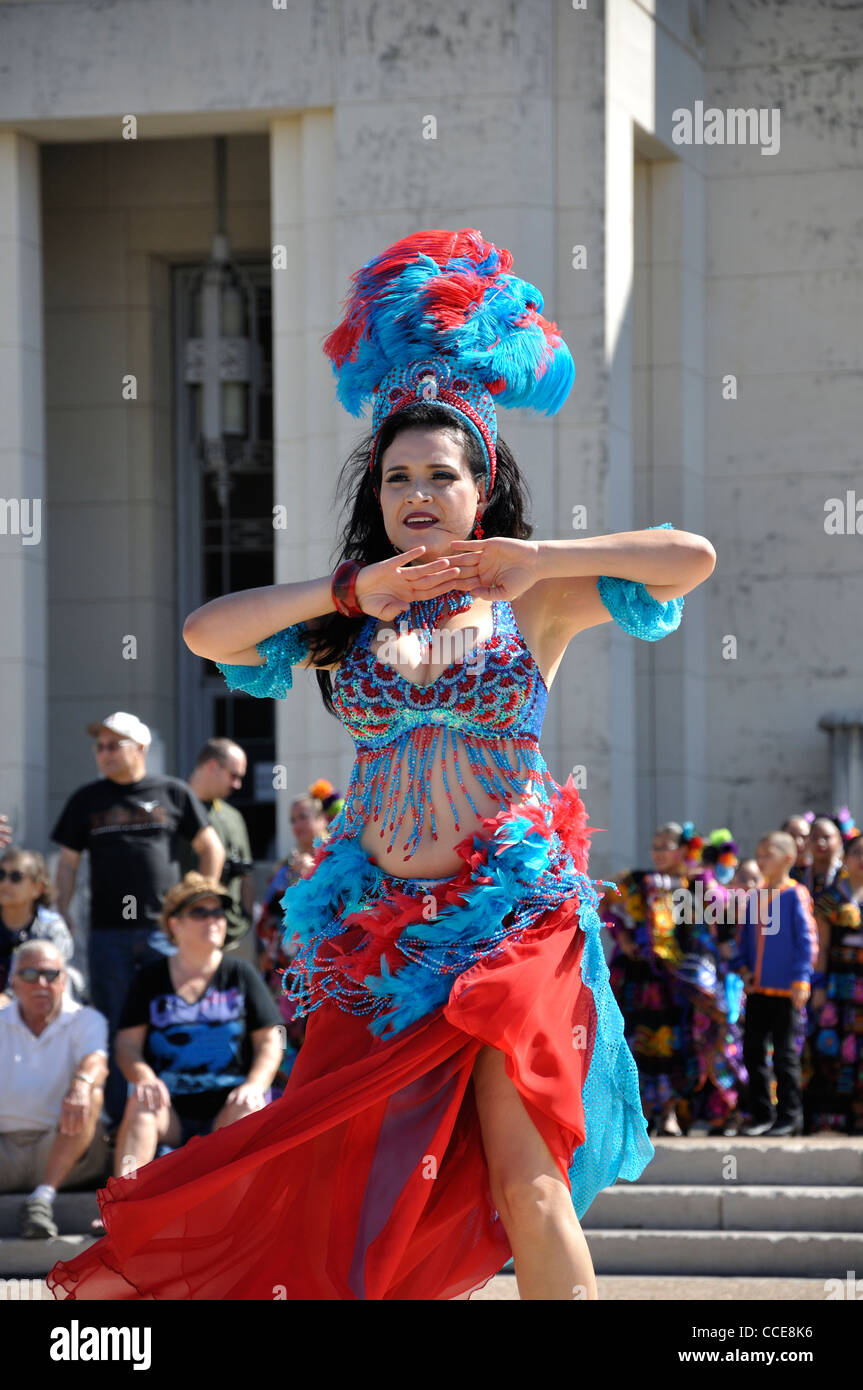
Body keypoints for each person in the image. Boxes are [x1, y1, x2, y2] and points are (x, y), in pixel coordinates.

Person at [48, 227, 716, 1302]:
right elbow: (204, 631)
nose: (416, 491)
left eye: (440, 475)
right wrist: (347, 590)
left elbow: (690, 559)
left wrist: (539, 555)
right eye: (396, 475)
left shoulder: (531, 600)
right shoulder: (348, 615)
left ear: (478, 486)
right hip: (376, 932)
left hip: (507, 924)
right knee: (344, 1179)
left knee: (526, 1180)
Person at [51, 711, 225, 1127]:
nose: (105, 753)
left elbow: (211, 849)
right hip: (106, 933)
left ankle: (173, 1124)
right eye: (100, 746)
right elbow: (68, 864)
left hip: (163, 934)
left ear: (141, 748)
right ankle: (115, 1122)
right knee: (112, 1025)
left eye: (115, 745)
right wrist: (61, 911)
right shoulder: (86, 799)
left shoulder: (173, 793)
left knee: (171, 1019)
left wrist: (198, 907)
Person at [111, 874, 283, 1178]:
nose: (212, 920)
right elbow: (126, 1044)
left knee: (251, 1108)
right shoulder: (149, 978)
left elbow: (273, 1039)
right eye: (199, 912)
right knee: (141, 1102)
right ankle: (124, 1206)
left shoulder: (240, 974)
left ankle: (244, 1217)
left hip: (227, 1108)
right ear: (174, 924)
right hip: (170, 1110)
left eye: (217, 912)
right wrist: (144, 1077)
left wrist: (256, 1083)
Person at [0, 941, 108, 1238]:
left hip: (63, 1150)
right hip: (4, 1153)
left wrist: (82, 1084)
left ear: (64, 980)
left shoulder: (86, 1019)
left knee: (92, 1092)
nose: (41, 983)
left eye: (50, 974)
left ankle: (42, 1200)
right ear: (13, 981)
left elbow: (96, 1061)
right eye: (30, 974)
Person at [600, 822, 690, 1137]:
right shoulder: (637, 880)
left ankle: (669, 1114)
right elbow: (602, 900)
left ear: (682, 850)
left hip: (673, 976)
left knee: (671, 1042)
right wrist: (620, 933)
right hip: (637, 974)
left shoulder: (691, 885)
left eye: (666, 846)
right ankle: (639, 1117)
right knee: (636, 1040)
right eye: (655, 846)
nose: (659, 852)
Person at [732, 831, 818, 1137]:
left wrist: (801, 979)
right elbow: (742, 940)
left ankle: (790, 1116)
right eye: (760, 854)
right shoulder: (755, 897)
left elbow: (806, 940)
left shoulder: (796, 894)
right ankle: (761, 1115)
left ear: (786, 858)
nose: (761, 860)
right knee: (753, 1051)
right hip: (757, 990)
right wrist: (743, 969)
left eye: (767, 854)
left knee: (785, 1054)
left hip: (785, 991)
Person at [255, 790, 331, 1085]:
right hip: (286, 969)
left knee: (321, 1035)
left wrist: (312, 874)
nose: (297, 824)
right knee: (287, 1036)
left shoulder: (337, 857)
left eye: (304, 817)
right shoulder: (283, 866)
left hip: (324, 965)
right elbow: (268, 916)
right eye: (292, 820)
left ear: (322, 819)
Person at [804, 832, 863, 1134]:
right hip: (841, 981)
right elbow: (822, 948)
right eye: (858, 853)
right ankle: (837, 1117)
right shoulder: (829, 899)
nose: (862, 860)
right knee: (835, 1047)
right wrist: (820, 986)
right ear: (847, 857)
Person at [178, 738, 255, 947]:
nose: (237, 785)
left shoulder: (233, 817)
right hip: (186, 936)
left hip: (232, 935)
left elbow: (246, 876)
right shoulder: (174, 811)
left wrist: (246, 920)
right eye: (234, 775)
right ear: (212, 766)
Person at [0, 847, 78, 1000]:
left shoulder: (53, 928)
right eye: (1, 875)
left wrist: (7, 999)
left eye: (16, 877)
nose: (5, 883)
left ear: (38, 888)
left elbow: (51, 981)